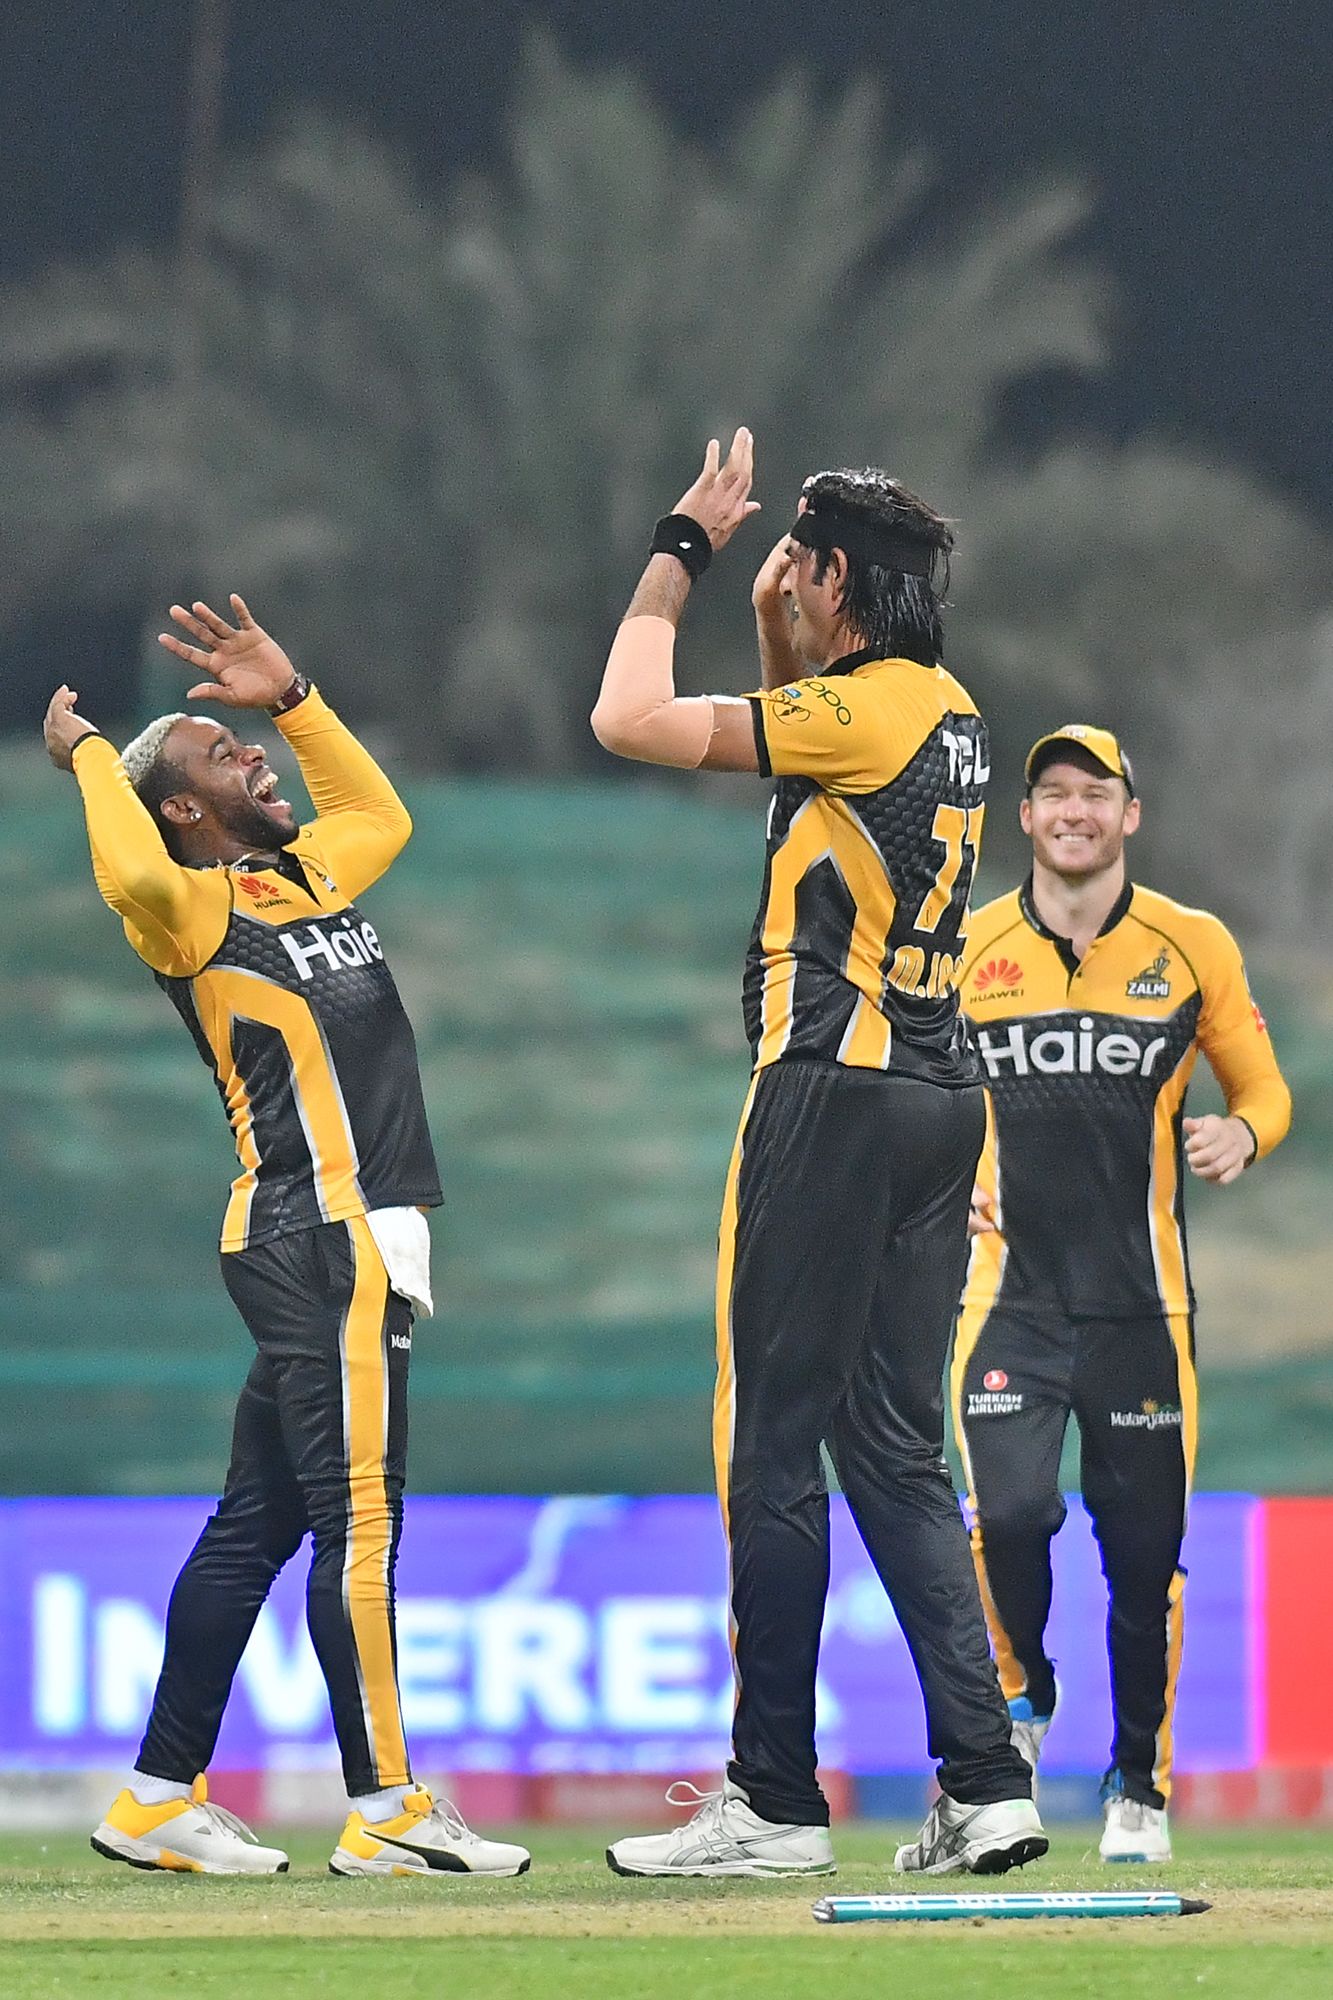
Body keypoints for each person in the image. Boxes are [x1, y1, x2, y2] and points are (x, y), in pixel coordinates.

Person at [590, 429, 1043, 1879]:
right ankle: (987, 1779)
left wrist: (680, 547)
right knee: (896, 1451)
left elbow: (627, 721)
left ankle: (772, 1798)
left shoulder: (869, 711)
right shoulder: (947, 706)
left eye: (806, 560)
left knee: (773, 1448)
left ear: (839, 576)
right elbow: (813, 757)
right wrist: (774, 628)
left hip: (830, 1094)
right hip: (934, 1094)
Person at [44, 596, 529, 1881]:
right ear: (184, 810)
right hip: (318, 1234)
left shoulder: (299, 871)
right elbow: (129, 870)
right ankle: (386, 1808)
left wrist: (290, 698)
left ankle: (154, 1796)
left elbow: (383, 815)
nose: (247, 755)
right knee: (359, 1524)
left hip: (327, 1236)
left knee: (255, 1523)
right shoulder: (191, 907)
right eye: (220, 752)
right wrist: (96, 759)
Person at [954, 725, 1292, 1863]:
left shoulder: (1190, 945)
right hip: (1007, 1303)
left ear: (1129, 816)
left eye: (1093, 794)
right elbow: (911, 1084)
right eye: (1051, 793)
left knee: (1142, 1555)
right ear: (1026, 817)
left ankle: (1138, 1784)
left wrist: (1240, 1130)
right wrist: (931, 1178)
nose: (1072, 811)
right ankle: (1023, 1697)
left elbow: (1265, 1085)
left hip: (1143, 1312)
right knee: (1005, 1516)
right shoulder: (967, 942)